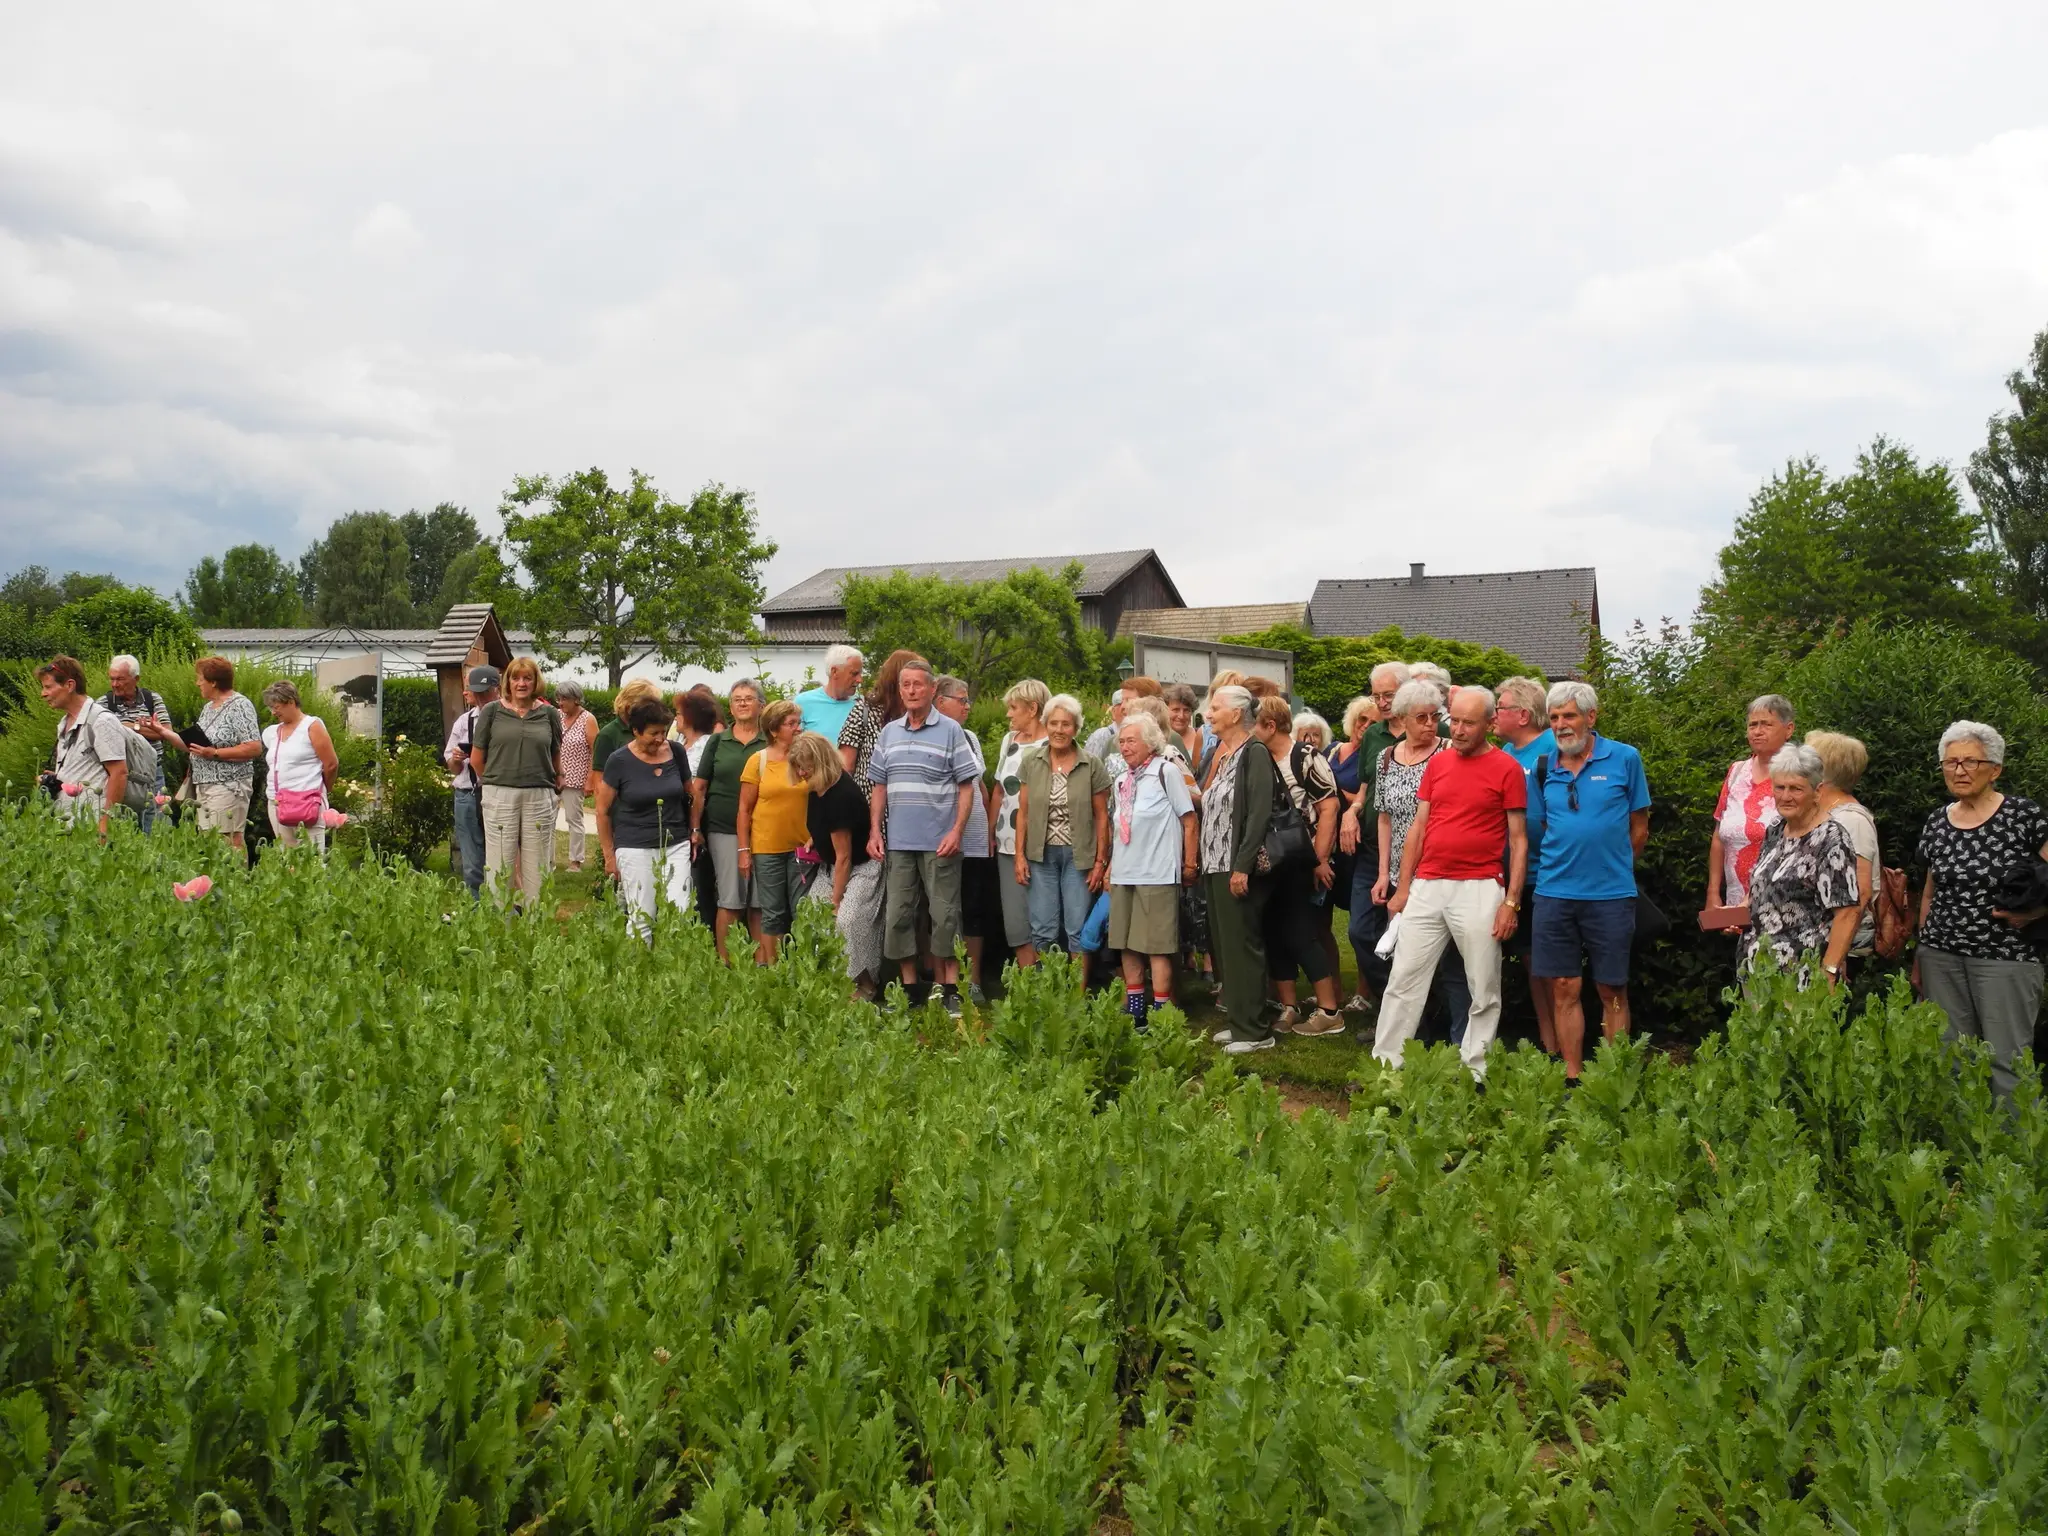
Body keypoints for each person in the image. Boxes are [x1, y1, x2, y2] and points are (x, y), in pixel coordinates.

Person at [1373, 686, 1529, 1082]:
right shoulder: (1438, 765)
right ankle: (1386, 1069)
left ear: (1490, 724)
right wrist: (1403, 887)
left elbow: (1518, 839)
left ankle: (1475, 1073)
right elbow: (1419, 828)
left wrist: (1511, 902)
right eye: (1453, 720)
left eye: (1467, 723)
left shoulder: (1506, 769)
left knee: (1483, 985)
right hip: (1428, 885)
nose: (1456, 730)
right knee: (1403, 978)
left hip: (1479, 887)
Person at [1523, 682, 1652, 1086]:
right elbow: (1545, 826)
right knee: (1563, 985)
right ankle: (1573, 1078)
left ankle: (1615, 1080)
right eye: (1556, 717)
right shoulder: (1545, 767)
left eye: (1570, 716)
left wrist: (1612, 868)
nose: (1561, 725)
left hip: (1611, 896)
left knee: (1611, 987)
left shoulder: (1625, 759)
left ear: (1591, 717)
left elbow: (1640, 828)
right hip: (1554, 894)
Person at [1915, 720, 2048, 1101]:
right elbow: (1929, 893)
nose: (1959, 770)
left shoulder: (2023, 816)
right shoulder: (1938, 821)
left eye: (1970, 762)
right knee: (1951, 1058)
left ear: (1995, 769)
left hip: (2005, 957)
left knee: (2008, 1061)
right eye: (1950, 762)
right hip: (1940, 957)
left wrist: (2036, 914)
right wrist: (1921, 953)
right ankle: (1963, 1153)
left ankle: (2017, 1154)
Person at [866, 659, 983, 1016]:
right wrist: (875, 831)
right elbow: (879, 786)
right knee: (899, 913)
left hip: (940, 842)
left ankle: (949, 989)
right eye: (906, 685)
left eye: (919, 684)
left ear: (932, 689)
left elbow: (967, 787)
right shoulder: (889, 733)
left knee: (944, 914)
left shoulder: (951, 731)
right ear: (900, 690)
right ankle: (909, 989)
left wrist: (956, 832)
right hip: (899, 841)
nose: (912, 691)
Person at [1254, 695, 1344, 1035]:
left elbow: (1329, 808)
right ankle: (1288, 1007)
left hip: (1298, 860)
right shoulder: (1259, 757)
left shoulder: (1305, 757)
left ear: (1270, 725)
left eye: (1255, 723)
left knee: (1301, 933)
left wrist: (1318, 860)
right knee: (1274, 933)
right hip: (1268, 862)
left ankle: (1330, 1011)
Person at [1740, 742, 1859, 992]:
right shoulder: (1775, 829)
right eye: (1780, 787)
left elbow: (1847, 913)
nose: (1785, 796)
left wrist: (1829, 971)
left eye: (1795, 788)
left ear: (1817, 791)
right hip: (1757, 970)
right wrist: (1739, 914)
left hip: (1802, 975)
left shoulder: (1832, 839)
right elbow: (1761, 887)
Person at [1198, 685, 1279, 1054]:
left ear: (1235, 714)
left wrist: (1242, 867)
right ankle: (1239, 1020)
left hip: (1235, 865)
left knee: (1243, 944)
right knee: (1225, 946)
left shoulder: (1255, 753)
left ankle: (1256, 1031)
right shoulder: (1225, 754)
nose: (1209, 713)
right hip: (1214, 864)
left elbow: (1258, 813)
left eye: (1215, 708)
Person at [1107, 713, 1197, 1029]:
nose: (1125, 746)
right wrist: (1110, 869)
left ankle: (1160, 1013)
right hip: (1123, 873)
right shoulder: (1121, 780)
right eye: (1121, 741)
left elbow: (1189, 819)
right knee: (1127, 944)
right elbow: (1118, 829)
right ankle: (1136, 1009)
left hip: (1158, 873)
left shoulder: (1166, 772)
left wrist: (1189, 864)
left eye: (1131, 740)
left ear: (1150, 742)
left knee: (1157, 946)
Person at [1013, 694, 1113, 965]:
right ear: (1045, 725)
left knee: (1077, 928)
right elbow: (1023, 813)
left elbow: (1102, 817)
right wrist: (1019, 856)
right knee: (1042, 928)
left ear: (1076, 728)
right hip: (1040, 855)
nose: (1059, 730)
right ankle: (1050, 993)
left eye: (1066, 724)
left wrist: (1100, 862)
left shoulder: (1091, 764)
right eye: (1054, 723)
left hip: (1079, 857)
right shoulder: (1032, 761)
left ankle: (1076, 1000)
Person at [793, 730, 885, 994]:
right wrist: (815, 837)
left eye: (805, 767)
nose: (801, 773)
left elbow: (844, 857)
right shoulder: (816, 787)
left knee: (847, 919)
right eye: (798, 767)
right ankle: (825, 982)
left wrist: (836, 900)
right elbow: (826, 825)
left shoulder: (841, 794)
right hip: (832, 865)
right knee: (809, 916)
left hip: (860, 867)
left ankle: (864, 986)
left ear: (820, 762)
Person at [1495, 675, 1559, 1052]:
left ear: (1522, 714)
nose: (1494, 715)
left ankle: (1564, 1046)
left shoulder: (1553, 749)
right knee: (1531, 962)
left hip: (1549, 874)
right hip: (1513, 875)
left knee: (1553, 967)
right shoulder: (1504, 751)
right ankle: (1548, 1042)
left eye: (1500, 708)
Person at [596, 695, 695, 940]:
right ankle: (639, 971)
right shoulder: (619, 761)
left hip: (675, 843)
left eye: (663, 732)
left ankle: (673, 969)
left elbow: (691, 794)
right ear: (636, 731)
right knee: (643, 915)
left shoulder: (676, 752)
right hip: (634, 845)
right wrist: (609, 855)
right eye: (653, 733)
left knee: (680, 911)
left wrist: (694, 831)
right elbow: (602, 810)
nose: (661, 739)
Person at [471, 656, 564, 908]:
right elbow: (476, 759)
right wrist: (497, 781)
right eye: (515, 677)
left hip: (539, 795)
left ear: (536, 682)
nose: (521, 683)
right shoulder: (491, 712)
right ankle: (500, 923)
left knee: (537, 864)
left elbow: (555, 754)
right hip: (500, 794)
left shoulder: (549, 714)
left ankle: (535, 924)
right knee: (501, 863)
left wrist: (558, 781)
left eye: (527, 678)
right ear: (507, 682)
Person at [1342, 662, 1408, 1000]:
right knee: (1360, 931)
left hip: (1415, 851)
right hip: (1372, 848)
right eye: (1376, 695)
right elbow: (1365, 787)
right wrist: (1352, 812)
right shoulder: (1372, 735)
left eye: (1388, 695)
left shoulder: (1429, 731)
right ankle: (1388, 1001)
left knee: (1409, 935)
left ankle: (1417, 1012)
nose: (1381, 703)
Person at [694, 678, 768, 962]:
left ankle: (762, 964)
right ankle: (725, 963)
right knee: (730, 899)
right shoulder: (717, 741)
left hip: (763, 830)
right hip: (724, 828)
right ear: (730, 706)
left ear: (761, 705)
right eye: (737, 699)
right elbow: (699, 787)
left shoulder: (769, 739)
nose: (742, 703)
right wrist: (696, 827)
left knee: (759, 902)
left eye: (749, 698)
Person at [933, 675, 997, 1003]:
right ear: (940, 702)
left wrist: (987, 830)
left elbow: (979, 785)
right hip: (943, 839)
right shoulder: (932, 736)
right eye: (962, 699)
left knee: (974, 909)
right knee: (943, 910)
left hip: (974, 840)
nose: (968, 706)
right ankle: (943, 981)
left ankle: (972, 981)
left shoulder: (970, 738)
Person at [736, 699, 809, 964]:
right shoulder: (759, 761)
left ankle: (801, 969)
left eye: (798, 723)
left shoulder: (806, 758)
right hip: (767, 849)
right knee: (773, 913)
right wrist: (744, 851)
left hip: (803, 849)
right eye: (791, 724)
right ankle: (774, 972)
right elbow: (744, 809)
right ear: (775, 730)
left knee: (803, 911)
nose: (798, 728)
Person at [1707, 694, 1796, 911]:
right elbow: (1719, 835)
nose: (1757, 731)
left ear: (1789, 729)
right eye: (1752, 725)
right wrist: (1713, 892)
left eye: (1766, 724)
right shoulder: (1737, 771)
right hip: (1735, 902)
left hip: (1782, 902)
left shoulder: (1797, 774)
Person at [989, 678, 1051, 971]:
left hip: (1044, 841)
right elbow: (999, 790)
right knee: (1015, 917)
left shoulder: (1053, 742)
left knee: (1045, 914)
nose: (1008, 715)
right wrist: (991, 833)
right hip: (1007, 841)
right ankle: (1029, 981)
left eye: (1013, 708)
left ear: (1033, 708)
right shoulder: (1009, 741)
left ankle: (1050, 978)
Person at [1807, 730, 1880, 964]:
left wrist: (1836, 958)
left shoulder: (1852, 820)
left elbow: (1861, 891)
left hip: (1839, 949)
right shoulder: (1826, 813)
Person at [38, 655, 130, 835]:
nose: (43, 694)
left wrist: (106, 823)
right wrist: (58, 778)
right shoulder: (65, 723)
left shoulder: (102, 720)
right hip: (67, 822)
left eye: (48, 687)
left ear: (69, 685)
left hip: (91, 825)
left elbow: (119, 773)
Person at [1327, 696, 1378, 1014]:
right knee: (1323, 924)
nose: (1366, 726)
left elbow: (1369, 796)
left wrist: (1338, 795)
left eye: (1373, 722)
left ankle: (1364, 990)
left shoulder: (1373, 755)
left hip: (1360, 846)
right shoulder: (1334, 750)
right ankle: (1331, 990)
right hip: (1330, 846)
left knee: (1361, 923)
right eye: (1362, 719)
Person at [187, 656, 263, 851]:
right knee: (209, 841)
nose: (197, 683)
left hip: (229, 785)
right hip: (204, 786)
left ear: (213, 682)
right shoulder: (208, 708)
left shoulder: (240, 705)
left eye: (200, 678)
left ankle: (236, 881)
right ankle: (216, 881)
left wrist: (215, 753)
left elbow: (254, 747)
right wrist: (161, 730)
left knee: (228, 841)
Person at [259, 681, 338, 852]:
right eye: (271, 707)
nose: (273, 712)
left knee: (313, 860)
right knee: (287, 857)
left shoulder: (312, 726)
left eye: (277, 707)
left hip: (307, 802)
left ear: (291, 702)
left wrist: (324, 789)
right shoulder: (272, 732)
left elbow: (331, 764)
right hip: (277, 802)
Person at [101, 654, 175, 832]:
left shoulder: (151, 699)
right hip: (120, 775)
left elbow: (166, 731)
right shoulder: (104, 703)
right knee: (123, 826)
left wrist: (130, 727)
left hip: (153, 772)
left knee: (158, 826)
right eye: (112, 679)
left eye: (120, 679)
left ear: (136, 679)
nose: (115, 684)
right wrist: (149, 730)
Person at [445, 666, 499, 899]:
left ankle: (502, 901)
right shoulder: (464, 721)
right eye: (478, 692)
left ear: (497, 689)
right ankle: (476, 903)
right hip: (467, 792)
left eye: (486, 692)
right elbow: (452, 766)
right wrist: (457, 759)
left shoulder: (507, 718)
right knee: (471, 854)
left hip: (496, 791)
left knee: (501, 851)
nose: (482, 698)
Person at [840, 648, 916, 789]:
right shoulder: (864, 710)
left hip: (905, 803)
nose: (914, 689)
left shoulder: (916, 714)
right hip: (867, 803)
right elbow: (846, 767)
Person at [553, 681, 599, 872]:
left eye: (564, 699)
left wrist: (591, 779)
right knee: (547, 819)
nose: (560, 702)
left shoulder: (588, 719)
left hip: (575, 779)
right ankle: (547, 862)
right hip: (553, 777)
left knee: (574, 820)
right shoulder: (556, 716)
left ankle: (575, 861)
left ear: (576, 700)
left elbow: (595, 750)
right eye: (558, 698)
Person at [593, 679, 661, 783]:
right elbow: (599, 780)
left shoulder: (653, 731)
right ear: (629, 706)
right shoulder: (608, 734)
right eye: (647, 707)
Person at [796, 645, 865, 742]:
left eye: (860, 674)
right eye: (854, 673)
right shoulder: (803, 703)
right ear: (834, 672)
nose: (859, 680)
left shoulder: (863, 705)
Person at [1085, 676, 1161, 763]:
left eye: (1128, 700)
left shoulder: (1168, 738)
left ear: (1149, 702)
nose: (1123, 707)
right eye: (1122, 701)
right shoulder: (1112, 742)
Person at [1163, 683, 1207, 776]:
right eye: (1176, 710)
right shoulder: (1158, 738)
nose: (1181, 716)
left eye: (1186, 710)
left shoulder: (1202, 737)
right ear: (1165, 710)